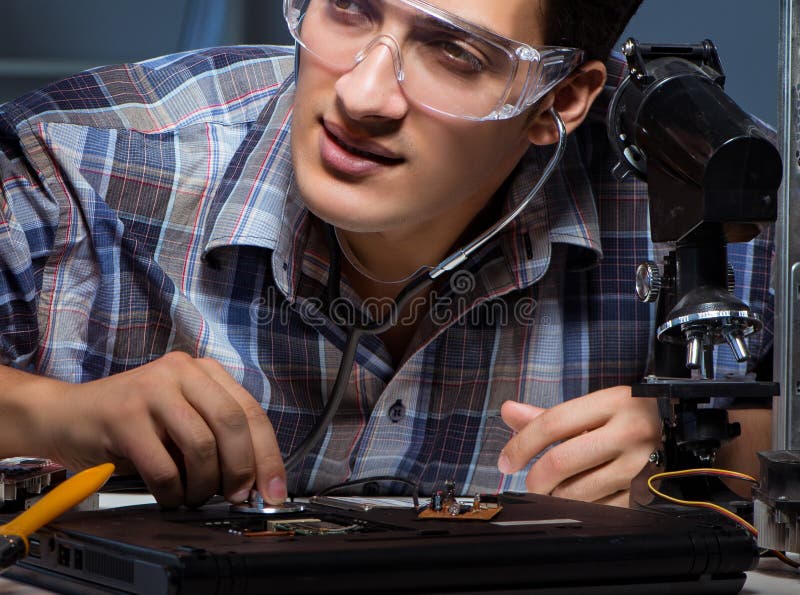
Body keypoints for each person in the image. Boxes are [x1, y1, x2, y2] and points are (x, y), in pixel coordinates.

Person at [0, 0, 773, 510]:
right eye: (349, 7)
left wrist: (710, 443)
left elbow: (773, 430)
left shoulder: (701, 206)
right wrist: (59, 416)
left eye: (455, 54)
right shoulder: (75, 160)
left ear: (559, 98)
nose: (364, 94)